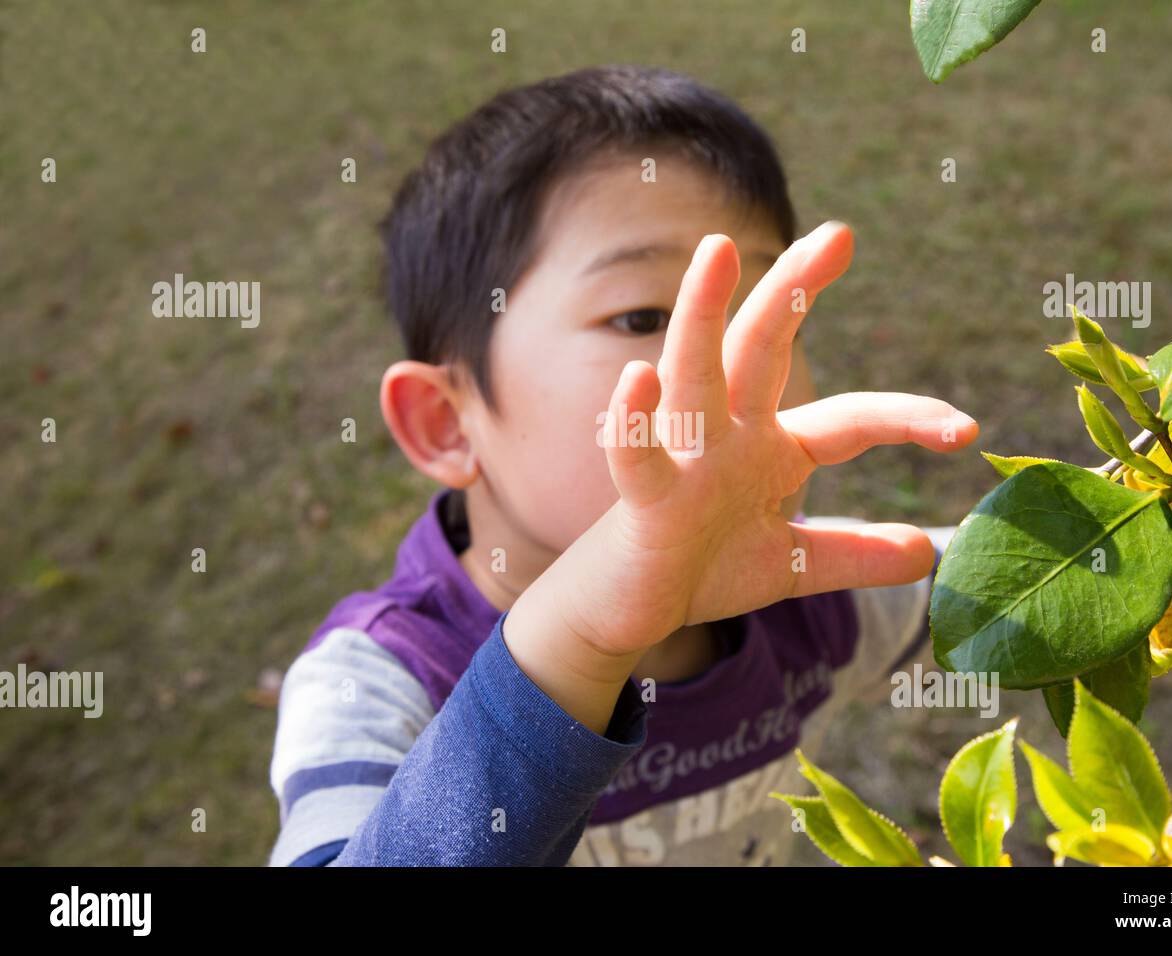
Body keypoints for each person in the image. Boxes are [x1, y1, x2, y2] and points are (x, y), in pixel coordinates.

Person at [267, 64, 977, 867]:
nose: (718, 372)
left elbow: (1015, 580)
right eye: (643, 317)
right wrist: (576, 640)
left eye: (761, 324)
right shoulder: (378, 682)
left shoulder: (810, 606)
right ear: (448, 423)